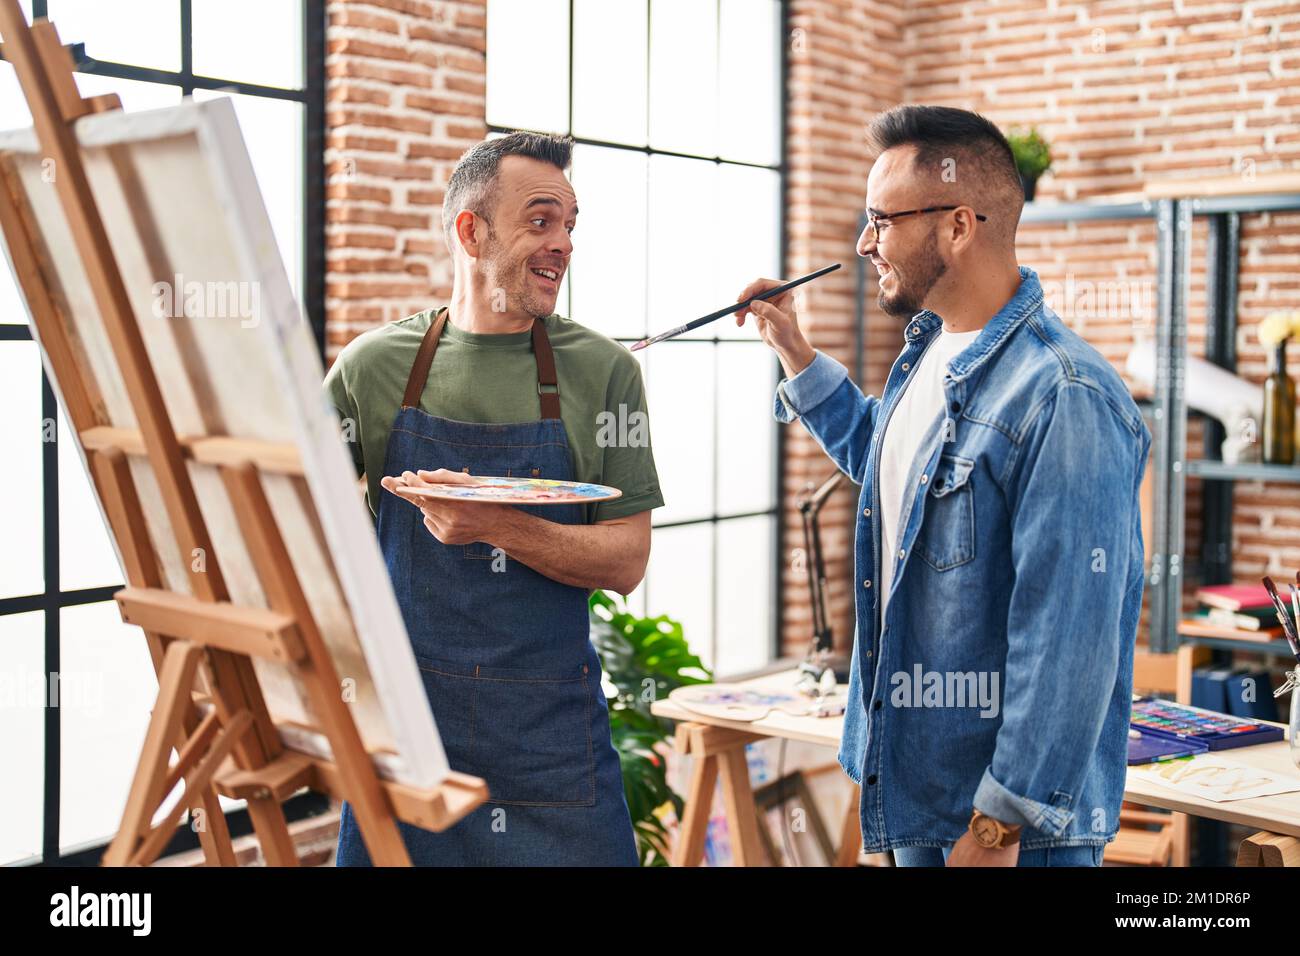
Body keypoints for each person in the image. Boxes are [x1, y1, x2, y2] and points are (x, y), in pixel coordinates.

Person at [734, 105, 1150, 867]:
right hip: (921, 796)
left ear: (958, 226)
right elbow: (891, 479)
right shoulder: (929, 352)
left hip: (1001, 827)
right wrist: (792, 349)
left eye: (880, 220)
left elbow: (1070, 636)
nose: (865, 244)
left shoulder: (1065, 393)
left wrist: (999, 826)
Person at [325, 131, 663, 866]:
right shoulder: (373, 369)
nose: (563, 244)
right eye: (541, 221)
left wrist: (496, 525)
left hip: (550, 749)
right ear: (470, 232)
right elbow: (301, 535)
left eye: (571, 224)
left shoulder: (604, 374)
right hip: (412, 743)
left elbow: (627, 559)